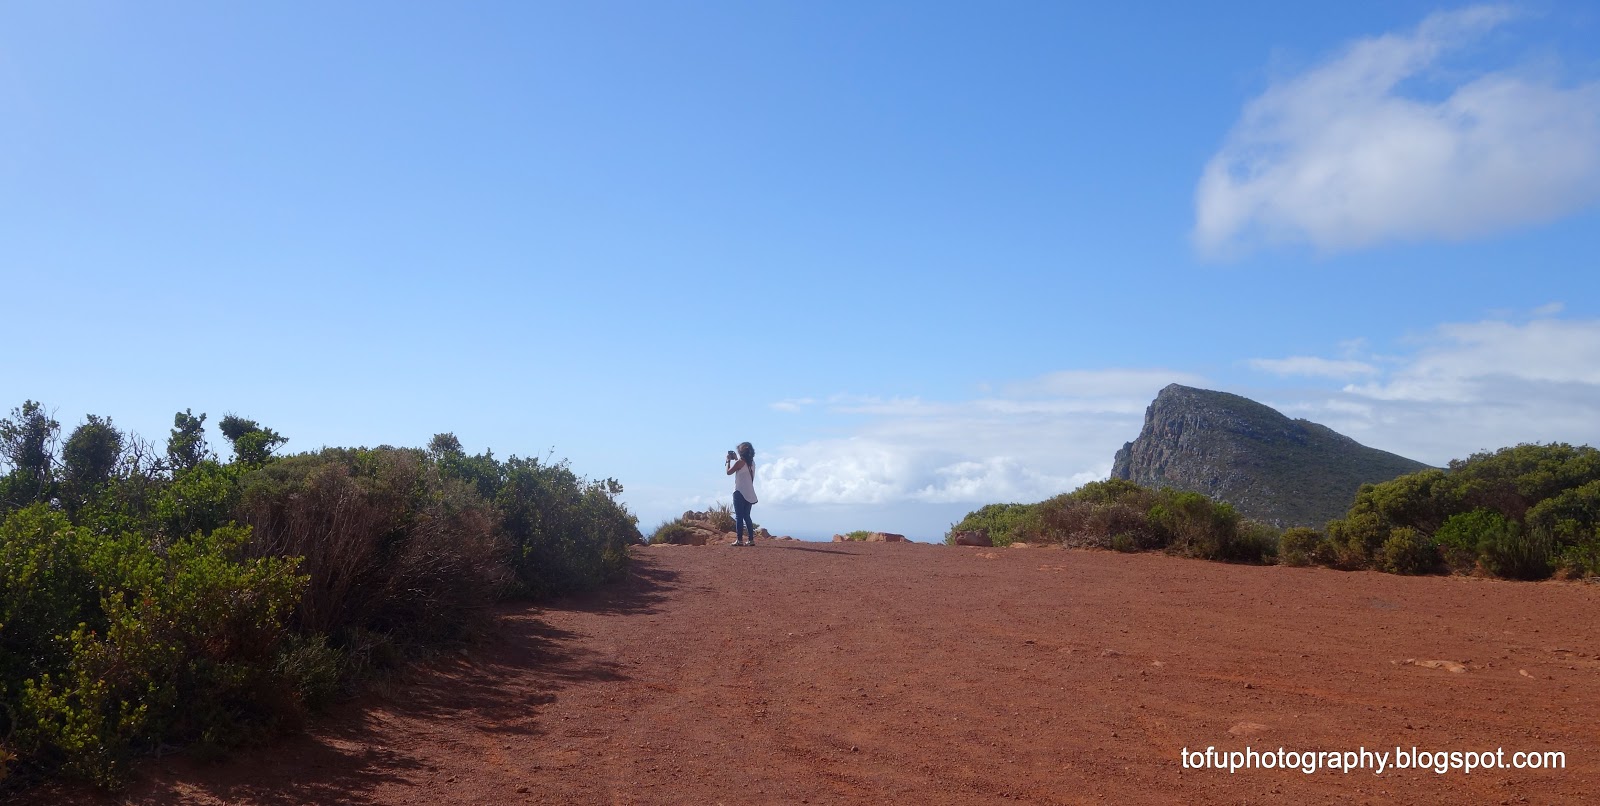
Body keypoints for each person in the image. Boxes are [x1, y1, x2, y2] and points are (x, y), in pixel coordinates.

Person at [725, 442, 758, 546]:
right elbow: (742, 467)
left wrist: (728, 461)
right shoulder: (752, 463)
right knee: (747, 516)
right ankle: (751, 540)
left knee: (739, 516)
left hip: (739, 492)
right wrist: (736, 459)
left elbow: (729, 472)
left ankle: (739, 540)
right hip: (749, 493)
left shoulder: (740, 462)